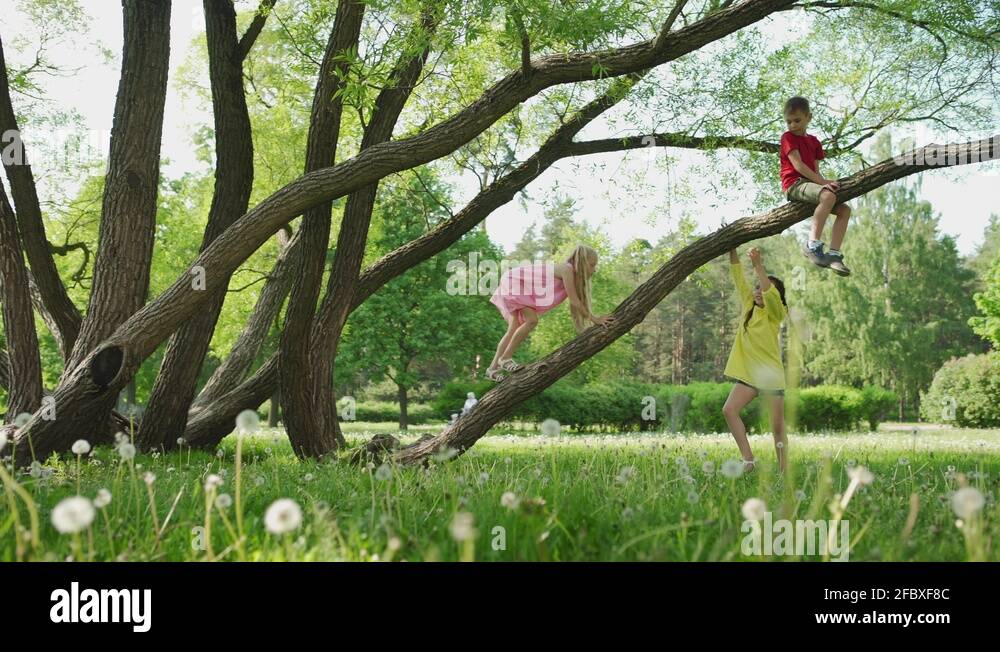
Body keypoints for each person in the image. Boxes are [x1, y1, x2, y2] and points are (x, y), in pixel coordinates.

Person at [485, 244, 614, 381]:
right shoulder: (567, 269)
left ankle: (492, 369)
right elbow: (575, 301)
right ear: (582, 262)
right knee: (532, 321)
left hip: (514, 282)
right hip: (515, 282)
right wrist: (595, 319)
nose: (594, 270)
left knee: (513, 328)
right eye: (592, 265)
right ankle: (505, 358)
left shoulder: (572, 275)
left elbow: (576, 302)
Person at [722, 247, 789, 472]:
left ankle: (783, 470)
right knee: (729, 410)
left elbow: (771, 294)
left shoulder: (776, 314)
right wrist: (732, 248)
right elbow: (737, 276)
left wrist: (758, 266)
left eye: (765, 288)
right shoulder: (749, 306)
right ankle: (748, 460)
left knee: (777, 427)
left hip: (771, 377)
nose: (760, 291)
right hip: (750, 375)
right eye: (758, 286)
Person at [780, 95, 852, 276]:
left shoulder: (814, 142)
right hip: (795, 184)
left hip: (811, 185)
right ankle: (812, 244)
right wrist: (823, 184)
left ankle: (834, 254)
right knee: (828, 195)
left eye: (797, 120)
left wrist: (822, 182)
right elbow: (798, 166)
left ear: (808, 117)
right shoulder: (787, 138)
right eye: (788, 122)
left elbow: (815, 169)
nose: (792, 125)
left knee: (845, 210)